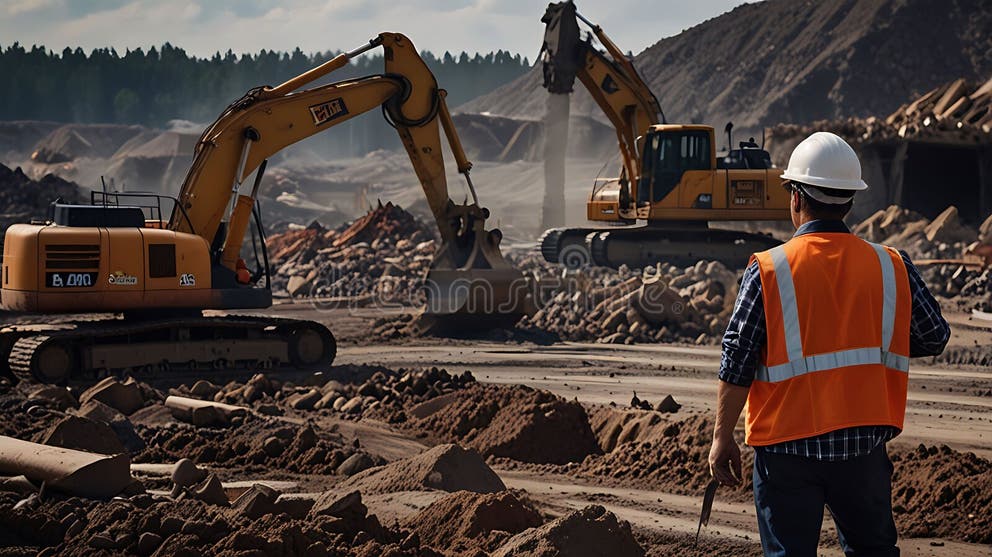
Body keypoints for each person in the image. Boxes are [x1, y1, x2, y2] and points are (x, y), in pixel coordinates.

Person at [707, 131, 950, 557]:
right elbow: (935, 335)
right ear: (849, 202)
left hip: (786, 451)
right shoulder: (891, 264)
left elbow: (738, 357)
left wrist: (722, 436)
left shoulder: (770, 268)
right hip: (863, 449)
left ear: (797, 196)